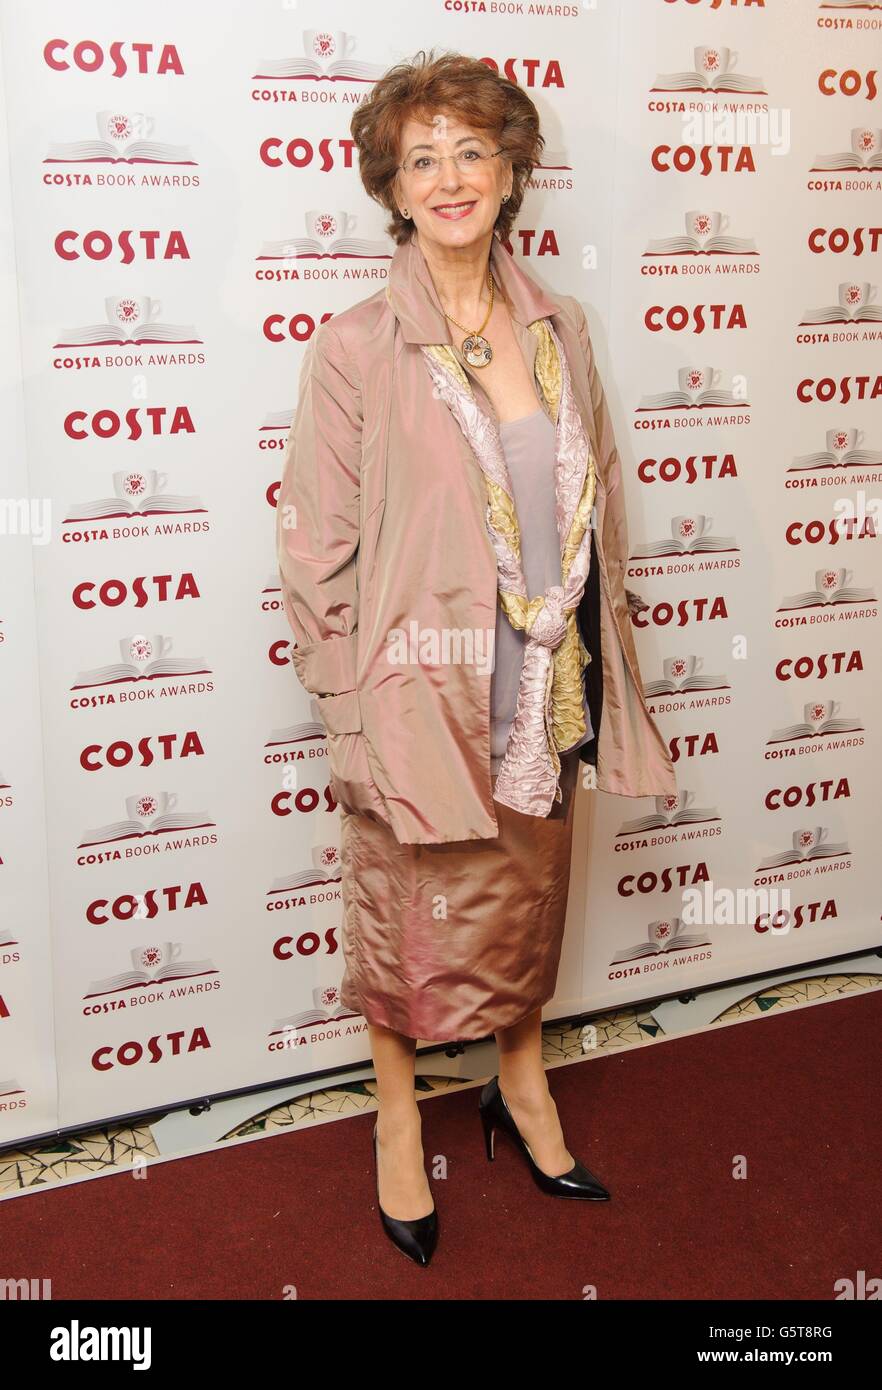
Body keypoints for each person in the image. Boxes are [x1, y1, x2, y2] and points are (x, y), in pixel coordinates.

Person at [276, 49, 677, 1266]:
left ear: (512, 174)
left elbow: (598, 491)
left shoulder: (566, 323)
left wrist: (602, 654)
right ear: (392, 189)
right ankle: (400, 1118)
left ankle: (521, 1083)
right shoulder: (356, 347)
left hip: (543, 670)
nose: (450, 177)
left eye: (472, 152)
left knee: (529, 893)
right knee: (405, 902)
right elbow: (316, 543)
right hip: (413, 684)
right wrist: (348, 709)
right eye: (423, 157)